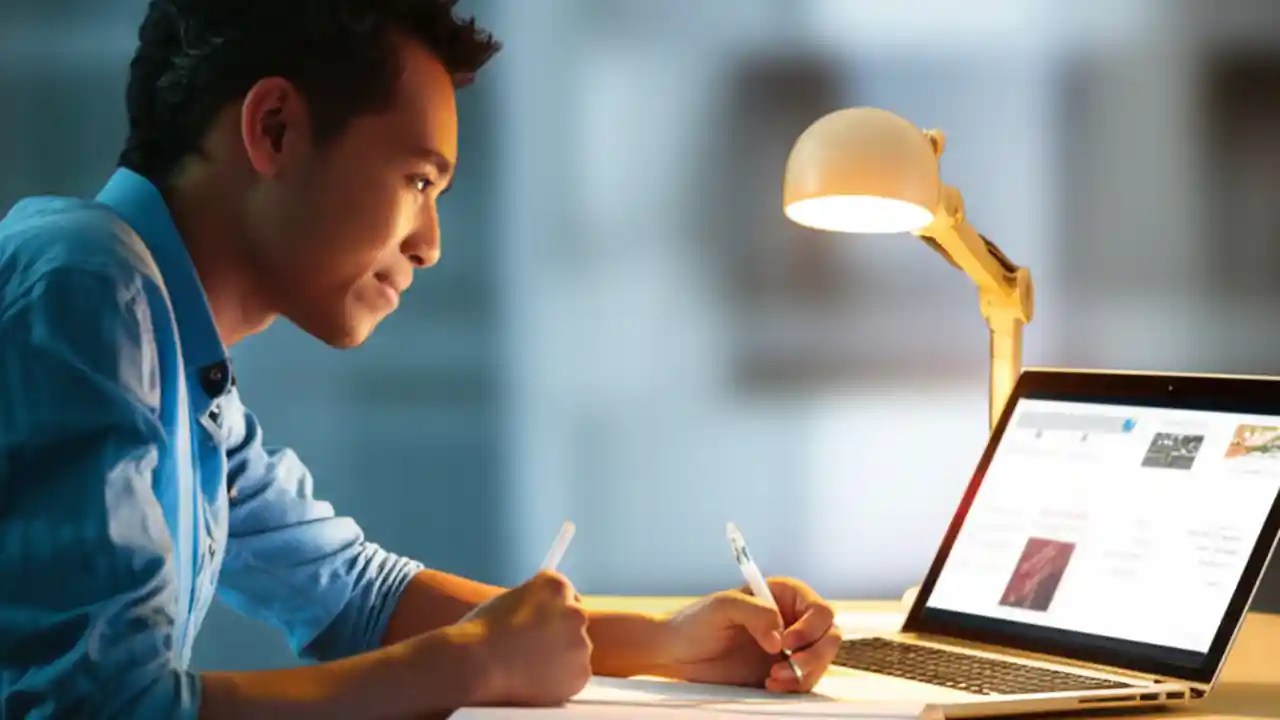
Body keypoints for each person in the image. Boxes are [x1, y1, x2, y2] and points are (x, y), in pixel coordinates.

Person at [0, 1, 842, 717]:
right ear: (275, 128)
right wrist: (469, 666)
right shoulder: (87, 288)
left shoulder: (169, 347)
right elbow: (102, 707)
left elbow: (355, 594)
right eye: (418, 181)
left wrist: (665, 642)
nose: (431, 243)